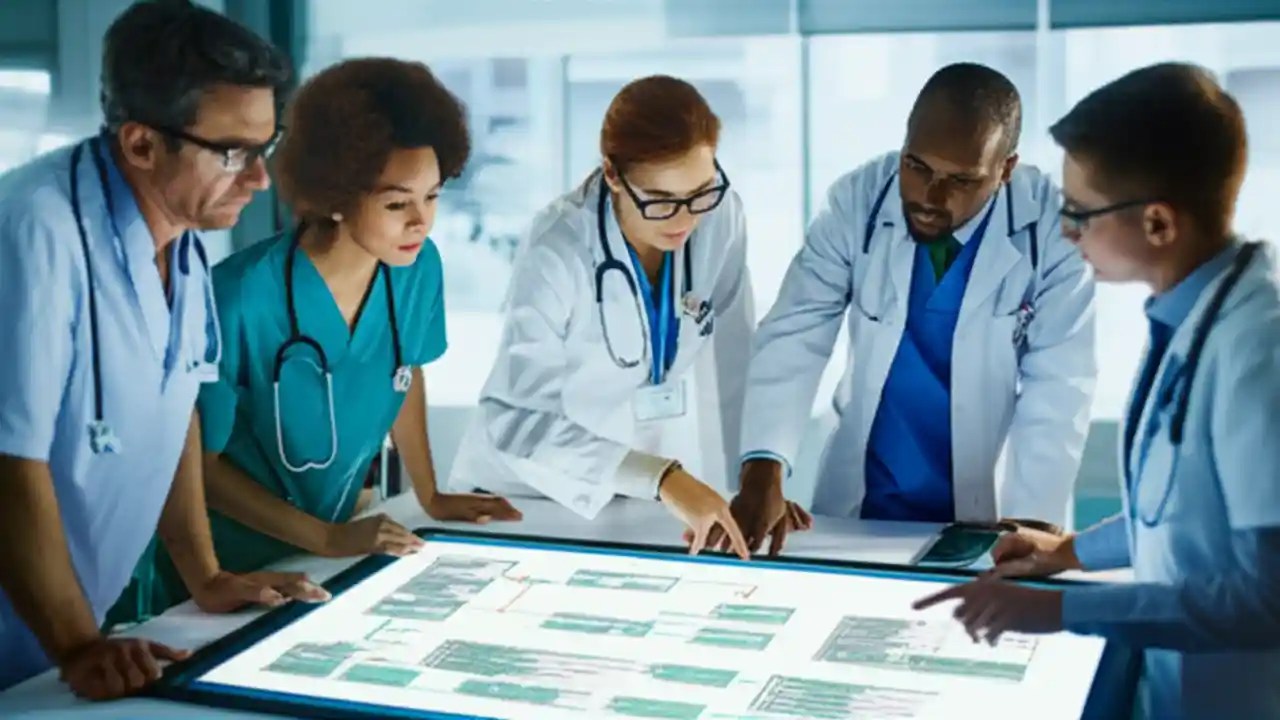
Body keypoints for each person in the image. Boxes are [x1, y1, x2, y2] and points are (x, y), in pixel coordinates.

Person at [913, 63, 1280, 719]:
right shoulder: (1193, 317)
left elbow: (1266, 598)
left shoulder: (1258, 353)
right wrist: (1071, 552)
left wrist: (1063, 609)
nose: (1064, 231)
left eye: (1080, 213)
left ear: (1159, 224)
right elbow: (1180, 519)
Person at [117, 57, 524, 623]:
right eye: (396, 202)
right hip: (221, 575)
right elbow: (199, 469)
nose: (421, 222)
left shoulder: (416, 267)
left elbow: (404, 371)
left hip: (324, 558)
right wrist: (330, 537)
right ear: (336, 193)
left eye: (432, 197)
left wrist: (430, 495)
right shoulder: (236, 298)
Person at [0, 1, 328, 699]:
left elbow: (176, 410)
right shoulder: (35, 233)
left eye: (266, 147)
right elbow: (9, 463)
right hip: (30, 627)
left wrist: (203, 576)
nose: (261, 180)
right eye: (234, 153)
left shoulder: (183, 243)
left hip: (60, 633)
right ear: (142, 144)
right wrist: (78, 645)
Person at [723, 63, 1096, 554]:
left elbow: (1060, 382)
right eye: (917, 166)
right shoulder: (859, 201)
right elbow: (796, 330)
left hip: (994, 508)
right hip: (865, 499)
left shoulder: (1052, 229)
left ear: (1005, 170)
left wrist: (1033, 516)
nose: (929, 196)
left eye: (961, 180)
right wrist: (763, 468)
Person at [447, 75, 810, 557]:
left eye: (701, 192)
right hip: (525, 495)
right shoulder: (559, 247)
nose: (685, 219)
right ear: (613, 176)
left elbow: (735, 359)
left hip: (639, 494)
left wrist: (755, 481)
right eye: (661, 201)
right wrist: (660, 477)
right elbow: (517, 418)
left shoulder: (719, 216)